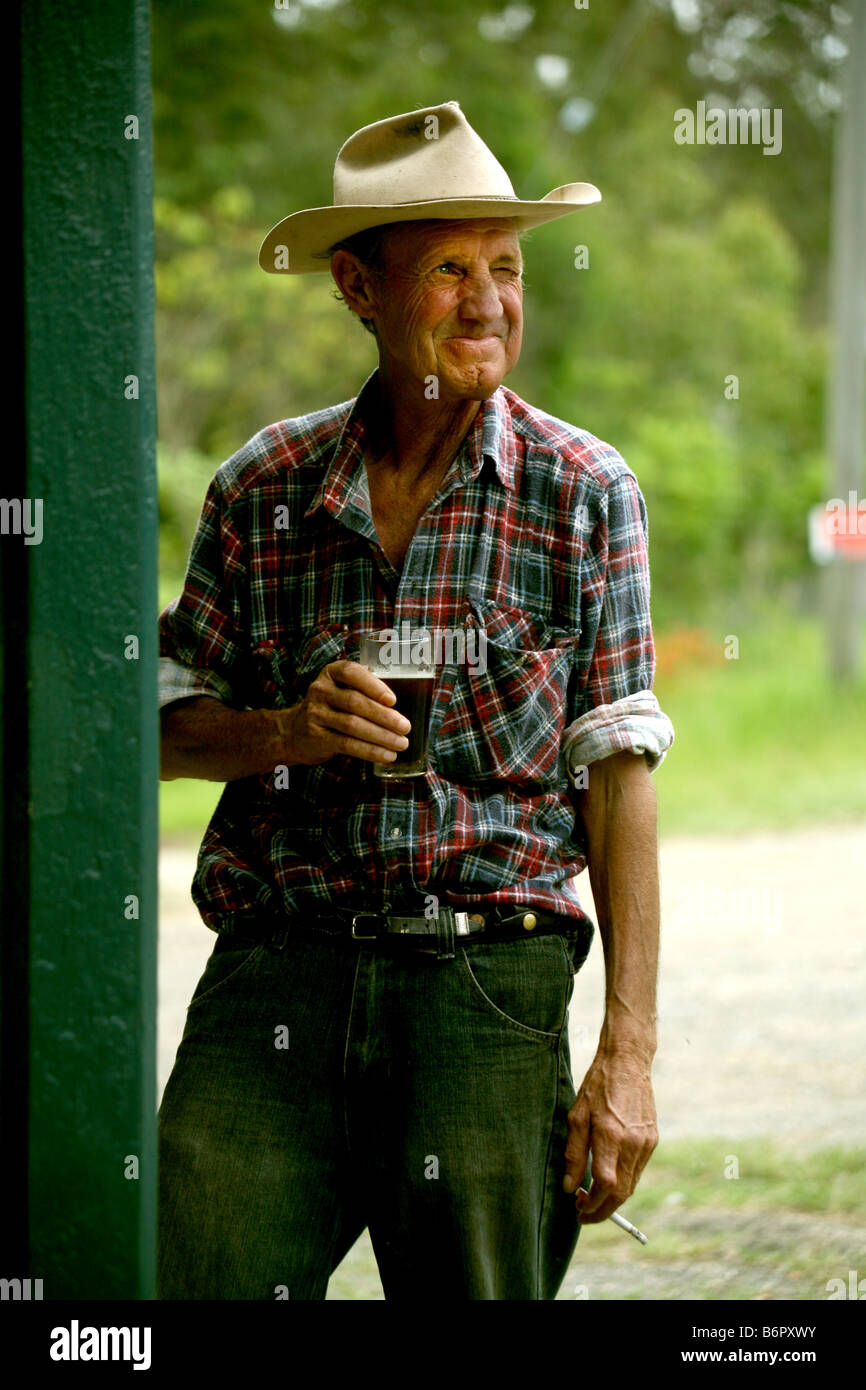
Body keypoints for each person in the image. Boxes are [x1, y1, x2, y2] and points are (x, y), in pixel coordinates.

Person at [157, 100, 675, 1301]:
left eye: (506, 267)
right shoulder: (261, 486)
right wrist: (284, 732)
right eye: (448, 269)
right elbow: (168, 730)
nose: (489, 302)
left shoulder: (583, 491)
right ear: (357, 286)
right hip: (273, 981)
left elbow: (617, 773)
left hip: (484, 989)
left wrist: (627, 1054)